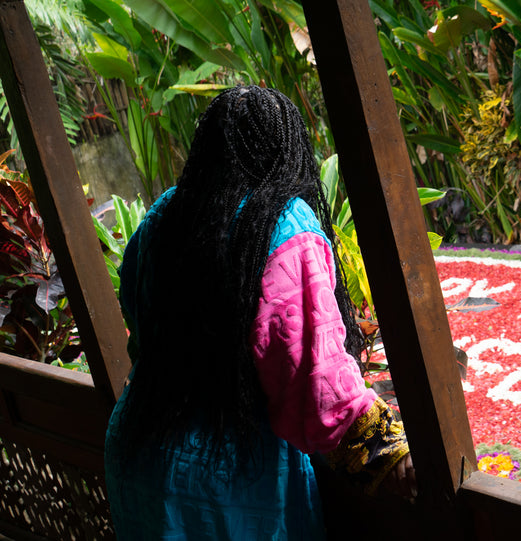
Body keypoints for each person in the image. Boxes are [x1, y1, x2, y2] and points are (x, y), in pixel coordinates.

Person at [104, 86, 415, 539]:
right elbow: (316, 378)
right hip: (227, 486)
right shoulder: (285, 227)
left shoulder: (164, 214)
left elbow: (137, 309)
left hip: (138, 454)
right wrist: (388, 449)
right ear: (287, 150)